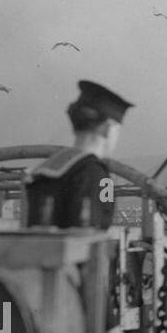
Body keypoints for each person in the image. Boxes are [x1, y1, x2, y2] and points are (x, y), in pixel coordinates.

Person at [26, 80, 133, 229]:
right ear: (107, 128)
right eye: (118, 130)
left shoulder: (48, 168)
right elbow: (88, 234)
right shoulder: (95, 173)